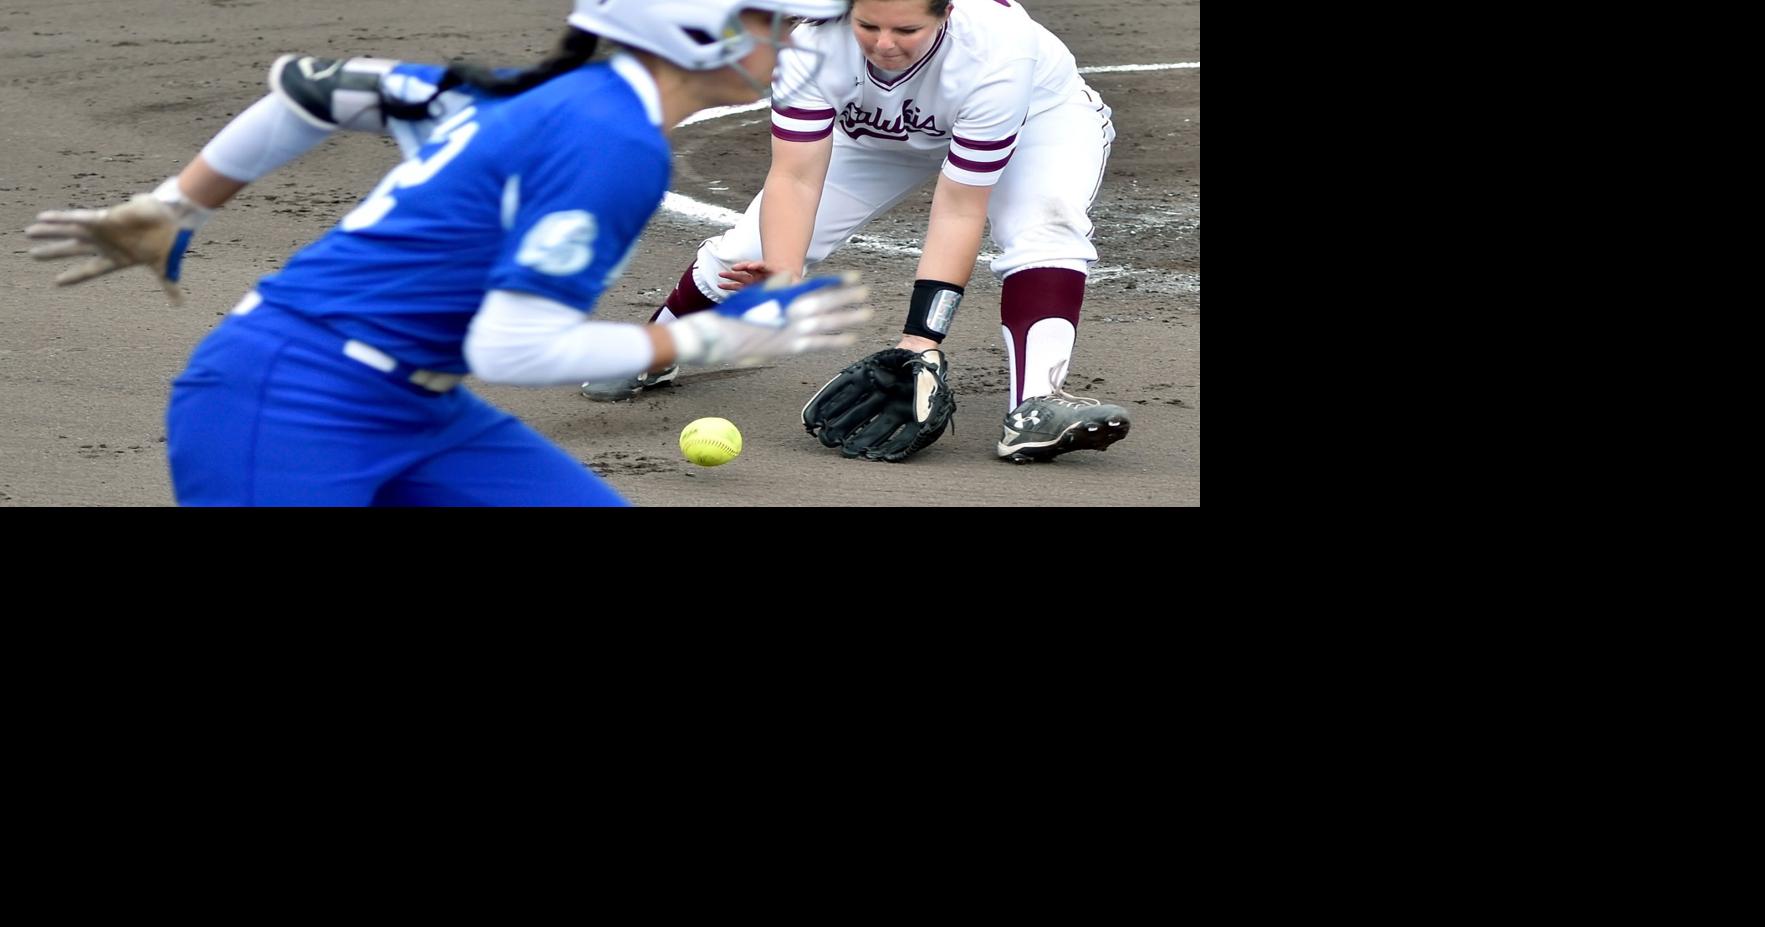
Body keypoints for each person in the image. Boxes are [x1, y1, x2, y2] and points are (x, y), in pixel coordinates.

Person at [27, 0, 867, 506]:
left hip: (414, 409)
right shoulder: (612, 143)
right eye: (774, 21)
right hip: (287, 403)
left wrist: (177, 206)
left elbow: (310, 89)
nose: (795, 40)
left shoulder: (534, 92)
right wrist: (713, 339)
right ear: (696, 29)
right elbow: (513, 346)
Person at [584, 0, 1130, 464]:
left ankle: (1037, 405)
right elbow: (795, 177)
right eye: (869, 25)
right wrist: (783, 272)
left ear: (946, 13)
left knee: (1045, 223)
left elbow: (959, 207)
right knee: (747, 251)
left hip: (1037, 119)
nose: (884, 44)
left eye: (906, 29)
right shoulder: (811, 47)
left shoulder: (998, 52)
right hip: (875, 133)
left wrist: (922, 340)